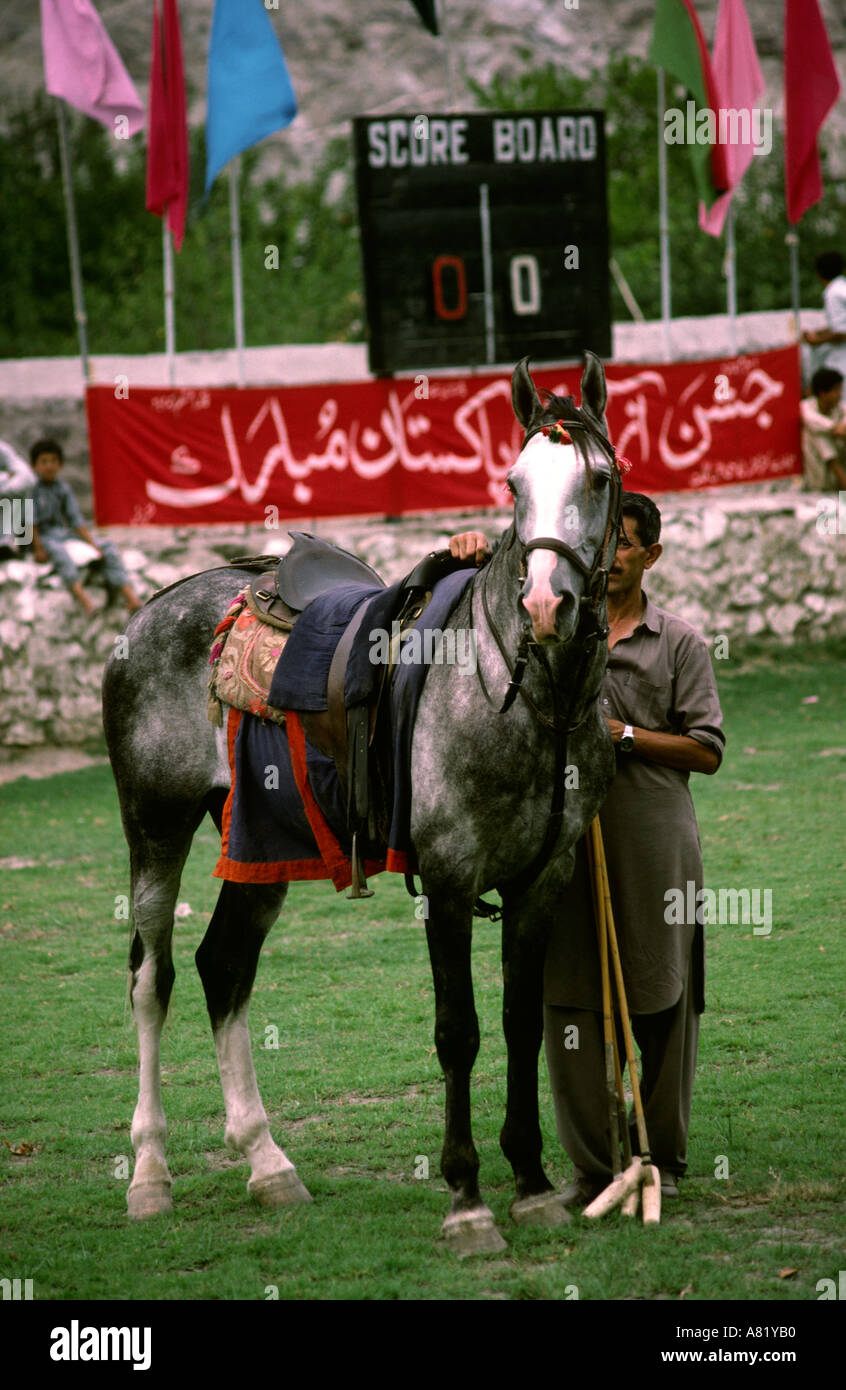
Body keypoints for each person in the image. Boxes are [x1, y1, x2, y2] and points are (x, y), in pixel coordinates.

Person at [450, 491, 725, 1205]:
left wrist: (624, 738)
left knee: (662, 991)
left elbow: (706, 750)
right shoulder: (557, 631)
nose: (612, 557)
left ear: (651, 555)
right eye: (606, 543)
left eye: (627, 544)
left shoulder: (680, 641)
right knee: (567, 992)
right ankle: (593, 1165)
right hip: (567, 832)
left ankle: (660, 1152)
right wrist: (478, 551)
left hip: (653, 832)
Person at [29, 438, 142, 614]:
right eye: (43, 462)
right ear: (34, 465)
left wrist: (93, 545)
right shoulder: (31, 488)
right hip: (42, 537)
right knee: (60, 553)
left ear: (60, 464)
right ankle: (84, 600)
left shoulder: (62, 488)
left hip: (61, 533)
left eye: (53, 461)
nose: (49, 466)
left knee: (107, 547)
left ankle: (130, 597)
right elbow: (30, 521)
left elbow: (75, 520)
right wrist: (38, 549)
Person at [800, 367, 846, 492]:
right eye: (836, 391)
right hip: (818, 483)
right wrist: (835, 428)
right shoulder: (806, 407)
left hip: (838, 484)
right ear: (822, 393)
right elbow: (812, 421)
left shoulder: (840, 409)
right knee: (818, 434)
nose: (840, 395)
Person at [802, 250, 846, 382]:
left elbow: (841, 332)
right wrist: (820, 333)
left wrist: (816, 341)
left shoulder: (833, 293)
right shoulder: (842, 288)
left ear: (819, 274)